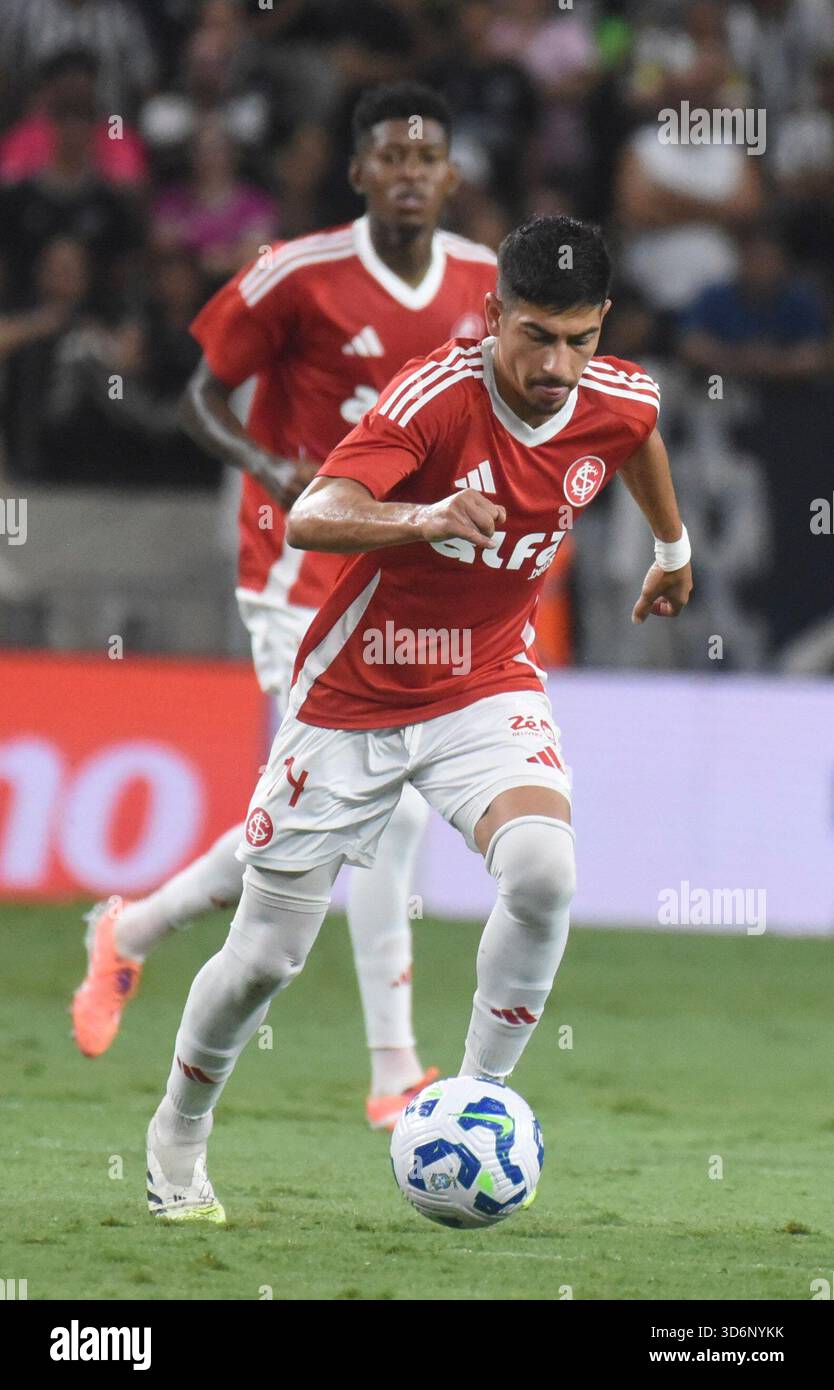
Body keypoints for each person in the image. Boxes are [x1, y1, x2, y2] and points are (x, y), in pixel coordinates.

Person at [144, 213, 693, 1221]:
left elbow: (640, 436)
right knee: (266, 956)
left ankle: (479, 1099)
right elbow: (314, 511)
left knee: (544, 872)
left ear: (603, 324)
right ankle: (177, 1129)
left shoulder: (614, 396)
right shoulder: (434, 396)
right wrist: (425, 516)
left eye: (579, 338)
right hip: (357, 694)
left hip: (485, 681)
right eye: (535, 334)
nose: (557, 363)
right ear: (493, 315)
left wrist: (671, 547)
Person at [72, 81, 498, 1133]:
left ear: (449, 175)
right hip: (298, 575)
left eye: (425, 156)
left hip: (414, 576)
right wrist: (269, 465)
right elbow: (198, 398)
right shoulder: (295, 275)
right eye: (388, 157)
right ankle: (396, 1071)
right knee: (385, 800)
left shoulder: (490, 283)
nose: (408, 173)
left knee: (321, 813)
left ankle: (131, 927)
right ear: (358, 174)